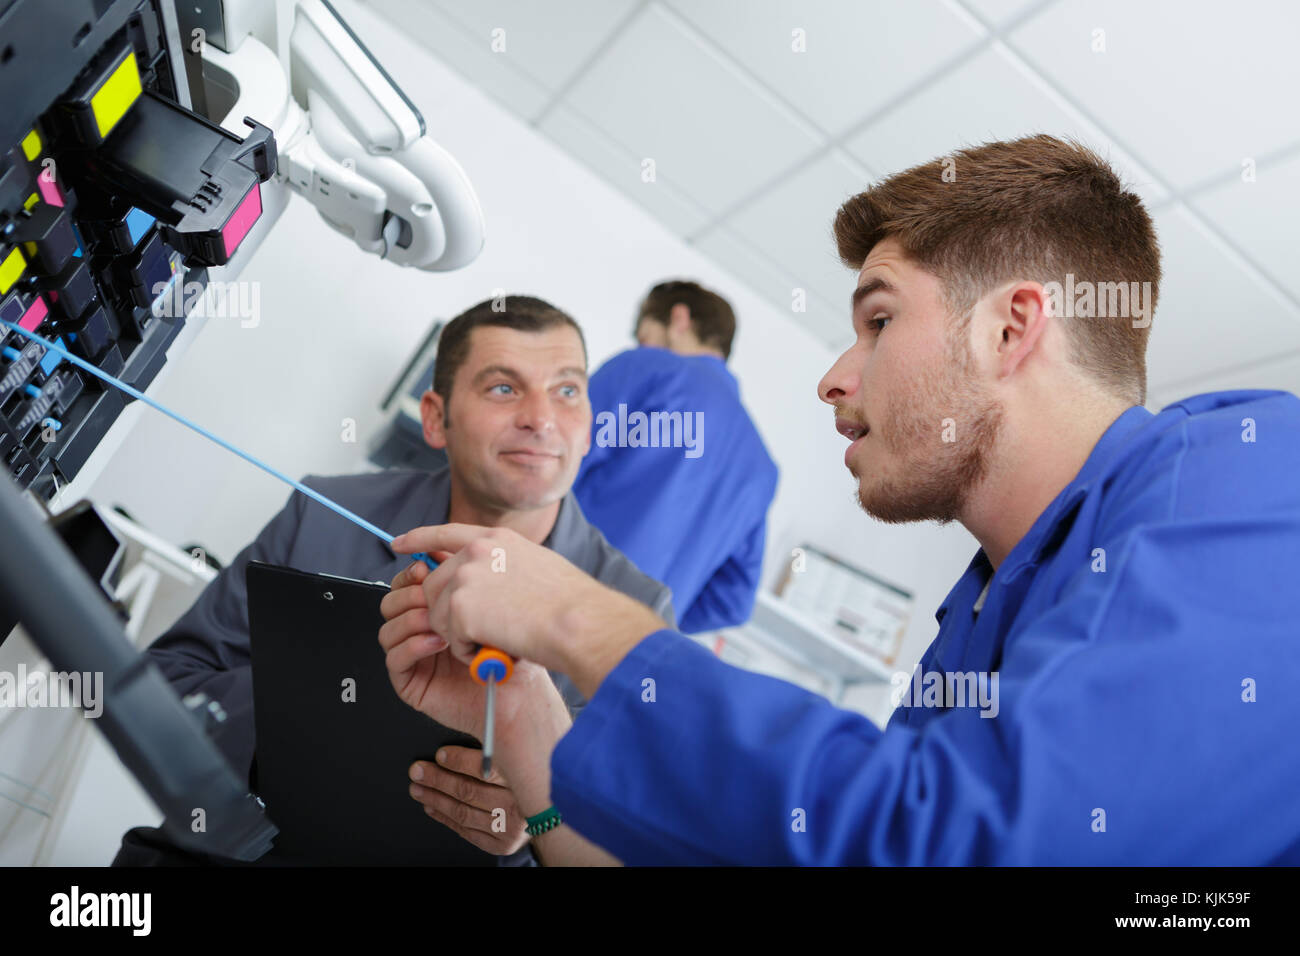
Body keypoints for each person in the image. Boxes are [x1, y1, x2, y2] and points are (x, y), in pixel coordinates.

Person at [379, 135, 1300, 865]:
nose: (833, 377)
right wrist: (536, 737)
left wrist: (577, 614)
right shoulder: (975, 617)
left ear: (1011, 329)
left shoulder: (1243, 468)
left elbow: (972, 846)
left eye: (879, 321)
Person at [114, 295, 673, 866]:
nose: (541, 417)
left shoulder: (633, 610)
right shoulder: (325, 510)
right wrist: (296, 723)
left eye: (567, 391)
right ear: (435, 418)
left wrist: (533, 822)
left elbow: (626, 842)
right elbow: (164, 685)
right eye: (503, 388)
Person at [571, 281, 777, 633]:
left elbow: (553, 460)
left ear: (678, 319)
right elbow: (733, 602)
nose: (641, 345)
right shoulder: (762, 467)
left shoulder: (648, 369)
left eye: (643, 333)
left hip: (549, 601)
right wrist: (653, 621)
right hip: (622, 659)